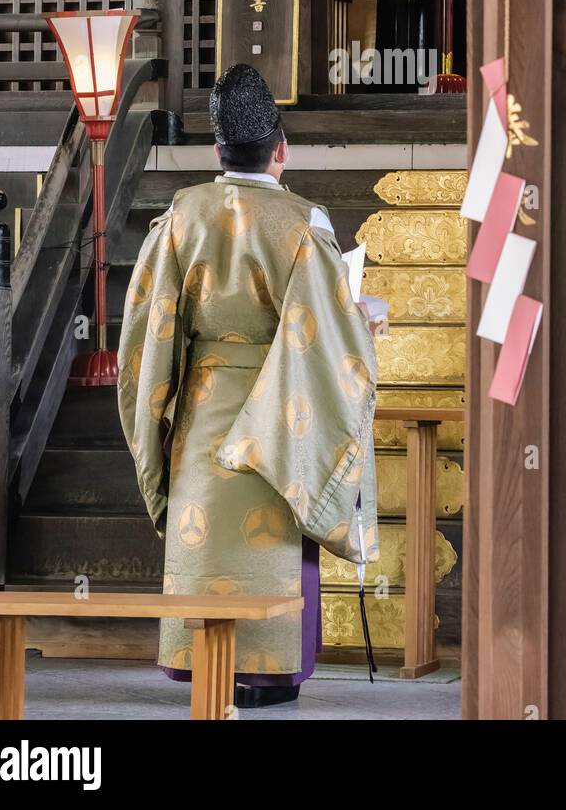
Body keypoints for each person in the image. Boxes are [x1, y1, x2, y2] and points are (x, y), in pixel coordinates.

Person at [117, 64, 379, 709]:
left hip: (203, 408)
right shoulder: (304, 222)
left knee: (203, 529)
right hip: (284, 408)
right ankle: (266, 675)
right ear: (280, 150)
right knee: (279, 523)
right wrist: (362, 320)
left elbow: (147, 332)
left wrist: (163, 412)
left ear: (217, 151)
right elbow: (328, 333)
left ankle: (200, 665)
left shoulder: (183, 214)